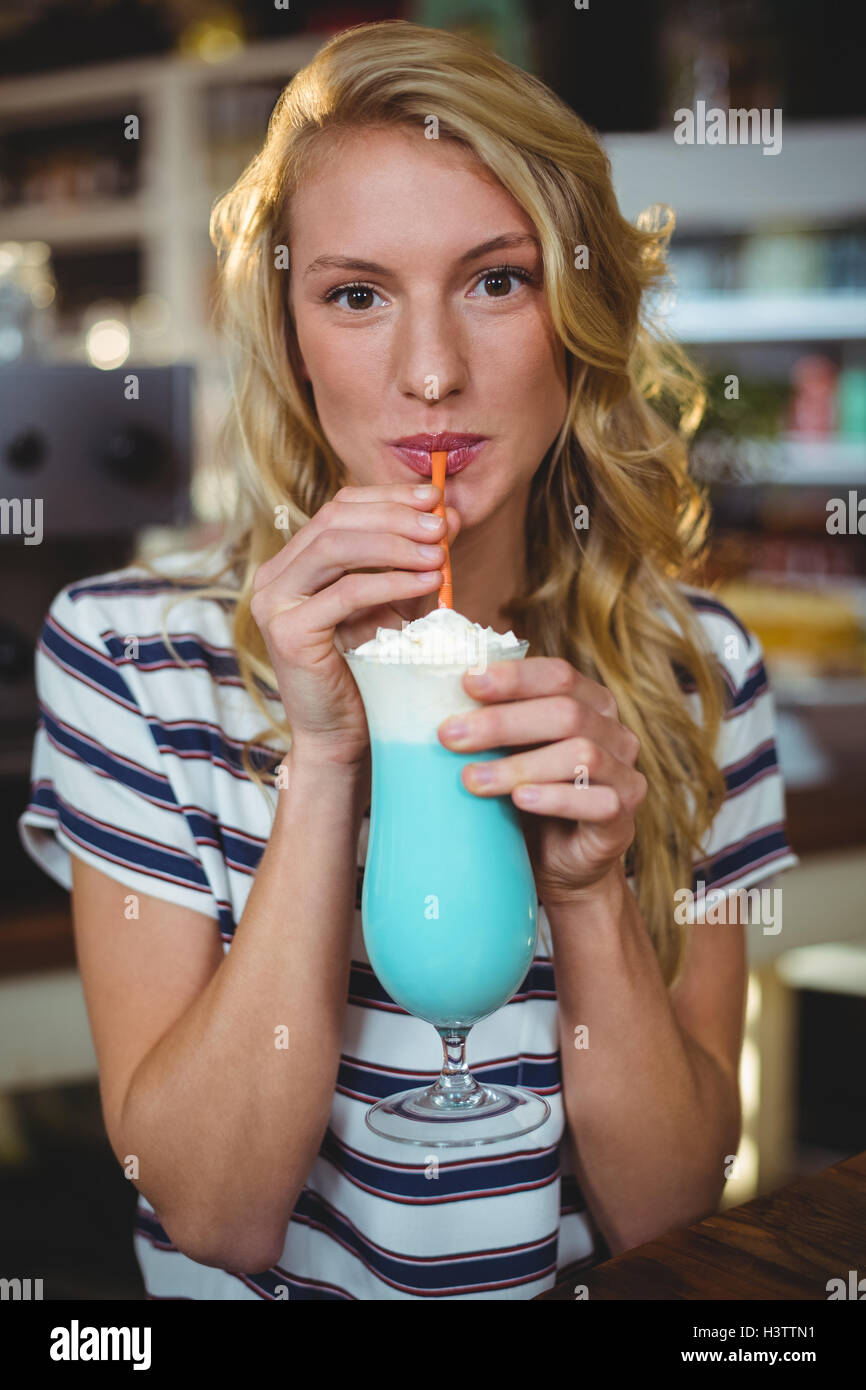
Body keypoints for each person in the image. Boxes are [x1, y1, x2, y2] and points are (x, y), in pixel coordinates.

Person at [19, 19, 798, 1300]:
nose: (428, 374)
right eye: (356, 293)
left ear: (577, 312)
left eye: (496, 280)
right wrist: (325, 763)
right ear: (290, 331)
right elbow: (211, 1211)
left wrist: (594, 894)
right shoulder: (131, 659)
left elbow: (669, 1206)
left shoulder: (690, 672)